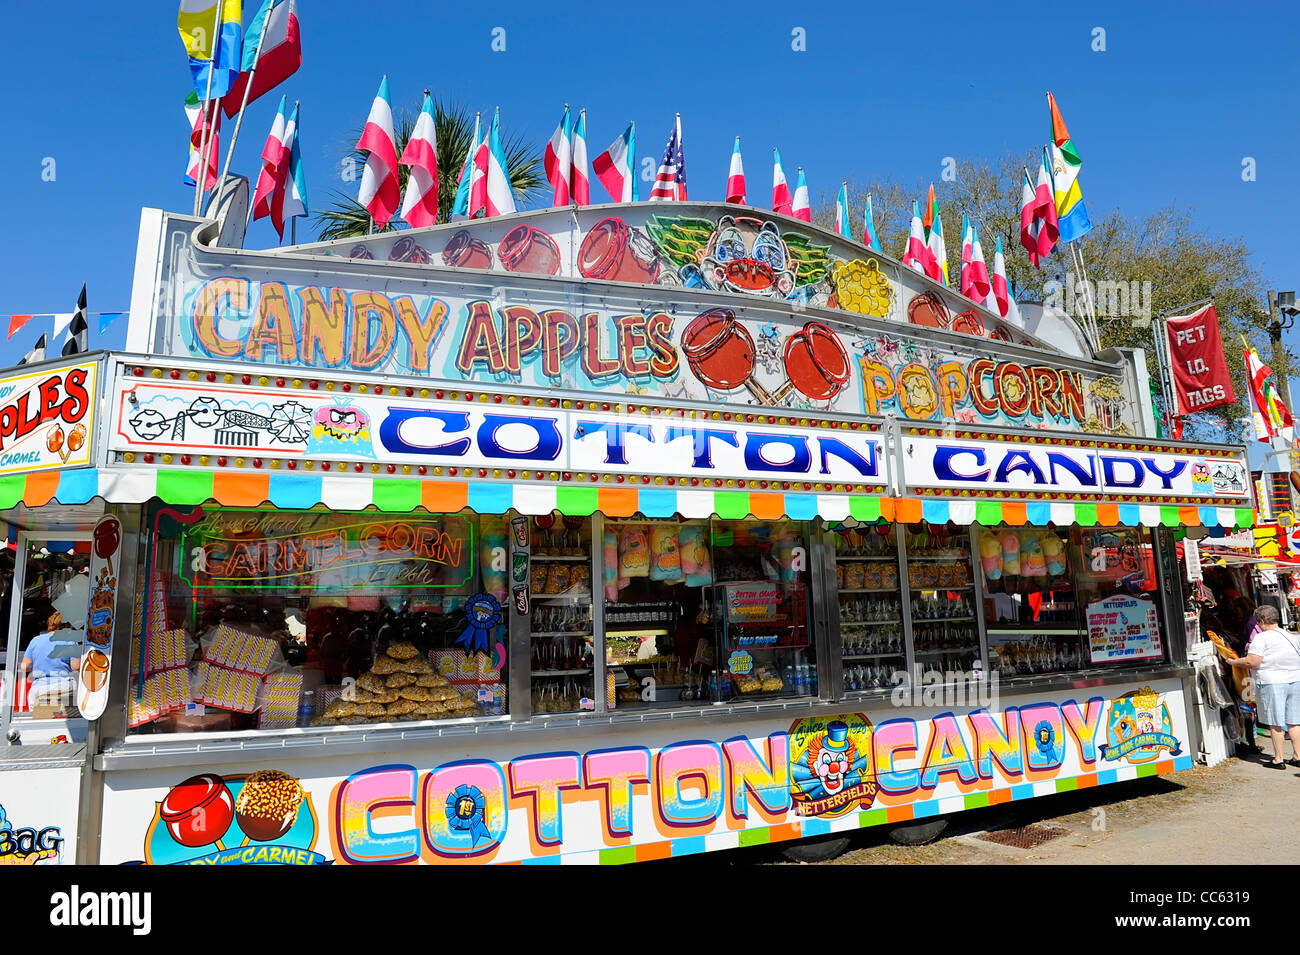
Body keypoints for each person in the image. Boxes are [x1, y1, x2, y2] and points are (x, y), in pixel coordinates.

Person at [1227, 605, 1300, 769]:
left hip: (1273, 681)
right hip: (1295, 679)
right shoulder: (1290, 636)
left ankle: (1278, 759)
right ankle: (1297, 756)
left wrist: (1233, 662)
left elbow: (1252, 662)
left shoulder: (1261, 638)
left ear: (1260, 621)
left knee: (1275, 722)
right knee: (1294, 721)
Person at [19, 610, 81, 711]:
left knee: (39, 722)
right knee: (63, 722)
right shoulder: (69, 640)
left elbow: (25, 667)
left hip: (39, 688)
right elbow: (76, 666)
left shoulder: (35, 640)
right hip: (62, 687)